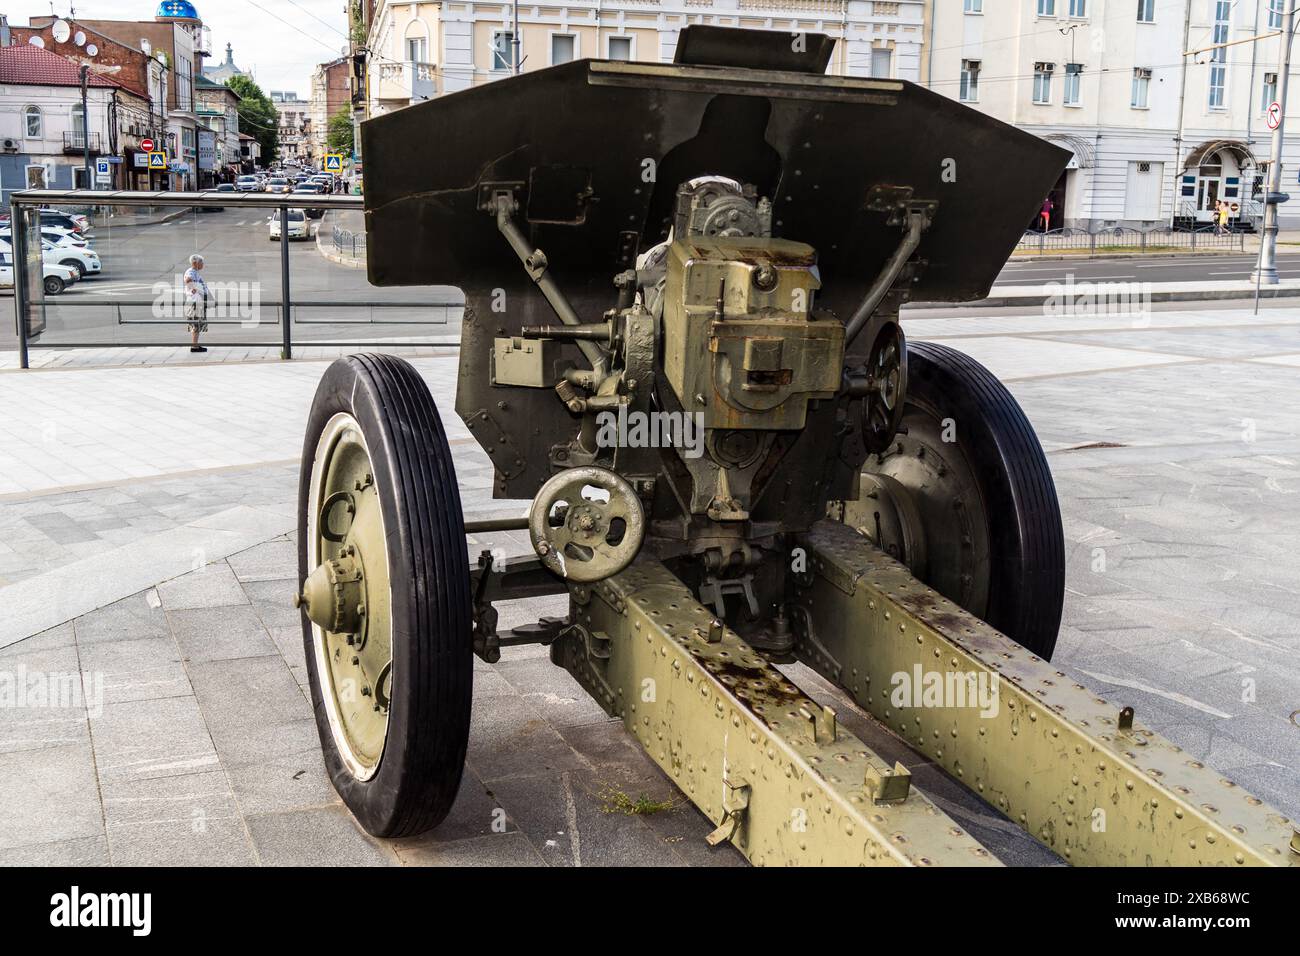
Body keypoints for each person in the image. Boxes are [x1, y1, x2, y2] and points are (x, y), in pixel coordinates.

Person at [183, 253, 211, 353]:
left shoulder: (195, 272)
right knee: (196, 324)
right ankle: (194, 346)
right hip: (194, 302)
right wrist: (193, 287)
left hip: (197, 301)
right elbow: (187, 280)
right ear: (195, 263)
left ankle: (195, 345)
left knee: (197, 324)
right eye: (201, 262)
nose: (203, 264)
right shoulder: (191, 271)